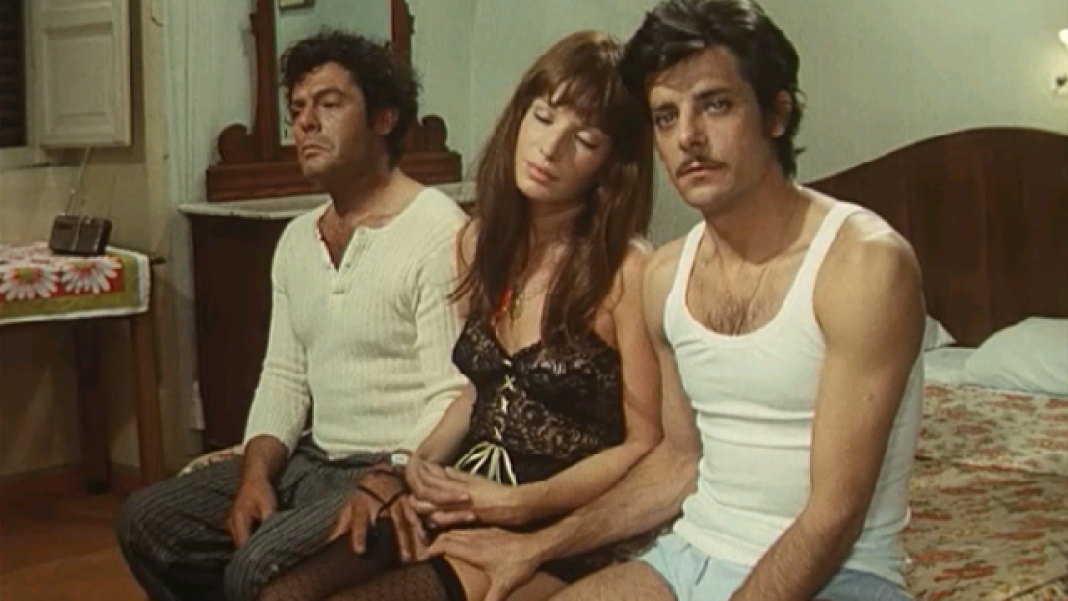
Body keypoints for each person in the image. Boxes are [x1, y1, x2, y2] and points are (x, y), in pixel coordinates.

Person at [424, 2, 928, 600]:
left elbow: (834, 513)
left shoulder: (862, 264)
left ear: (776, 114)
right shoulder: (666, 276)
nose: (688, 136)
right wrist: (537, 545)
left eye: (715, 105)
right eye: (666, 116)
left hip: (841, 572)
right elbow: (677, 463)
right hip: (690, 555)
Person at [252, 30, 663, 601]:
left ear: (612, 165)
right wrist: (405, 467)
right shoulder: (480, 242)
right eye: (543, 117)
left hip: (559, 521)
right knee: (278, 594)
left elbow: (645, 444)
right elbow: (478, 390)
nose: (550, 148)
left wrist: (522, 504)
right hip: (463, 492)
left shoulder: (627, 272)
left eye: (585, 139)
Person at [115, 30, 468, 601]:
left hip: (390, 472)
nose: (305, 123)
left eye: (329, 104)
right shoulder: (298, 239)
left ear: (383, 118)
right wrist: (254, 476)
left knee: (257, 568)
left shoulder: (436, 230)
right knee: (148, 522)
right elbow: (284, 377)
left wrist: (393, 475)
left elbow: (454, 392)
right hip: (310, 459)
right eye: (297, 109)